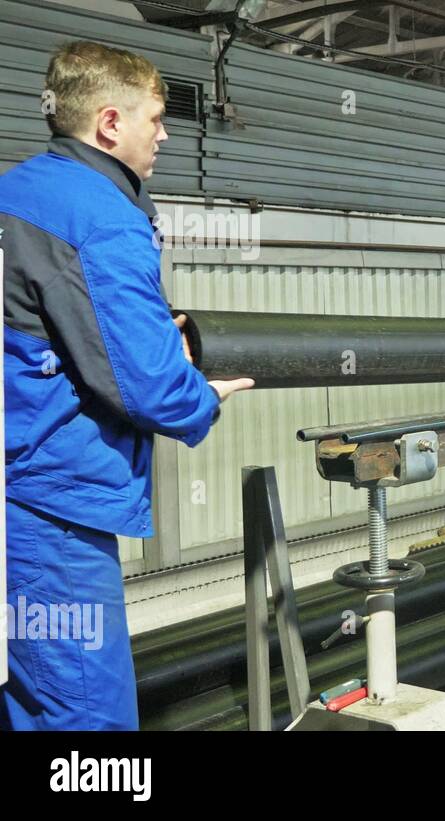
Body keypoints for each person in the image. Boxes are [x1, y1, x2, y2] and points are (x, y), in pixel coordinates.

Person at [1, 41, 254, 730]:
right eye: (157, 118)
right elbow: (144, 384)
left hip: (19, 486)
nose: (165, 135)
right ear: (110, 123)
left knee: (33, 694)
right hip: (56, 503)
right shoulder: (103, 215)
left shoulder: (18, 189)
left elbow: (63, 328)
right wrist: (203, 395)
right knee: (86, 713)